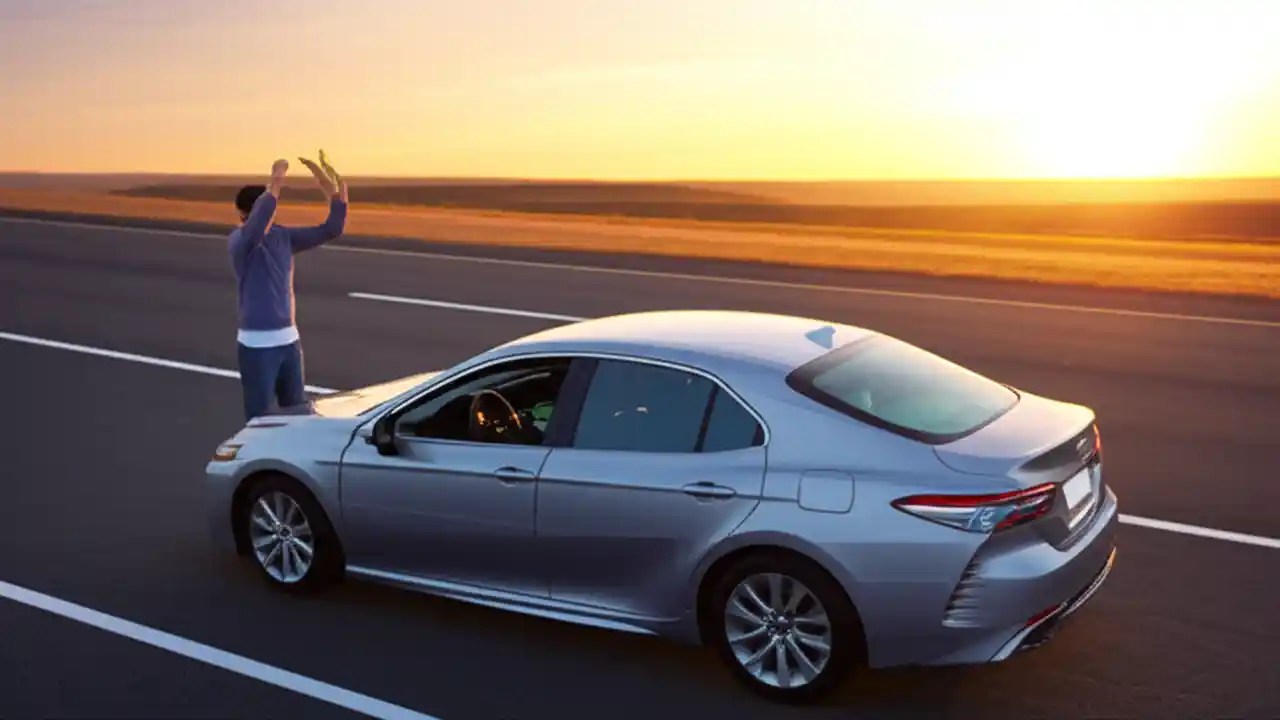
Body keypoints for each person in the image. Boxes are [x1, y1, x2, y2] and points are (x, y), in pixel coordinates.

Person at [229, 152, 349, 420]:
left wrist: (333, 192)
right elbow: (257, 225)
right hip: (257, 345)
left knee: (296, 414)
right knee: (259, 419)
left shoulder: (283, 236)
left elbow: (331, 229)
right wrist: (276, 179)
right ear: (246, 213)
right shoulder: (241, 242)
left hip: (289, 342)